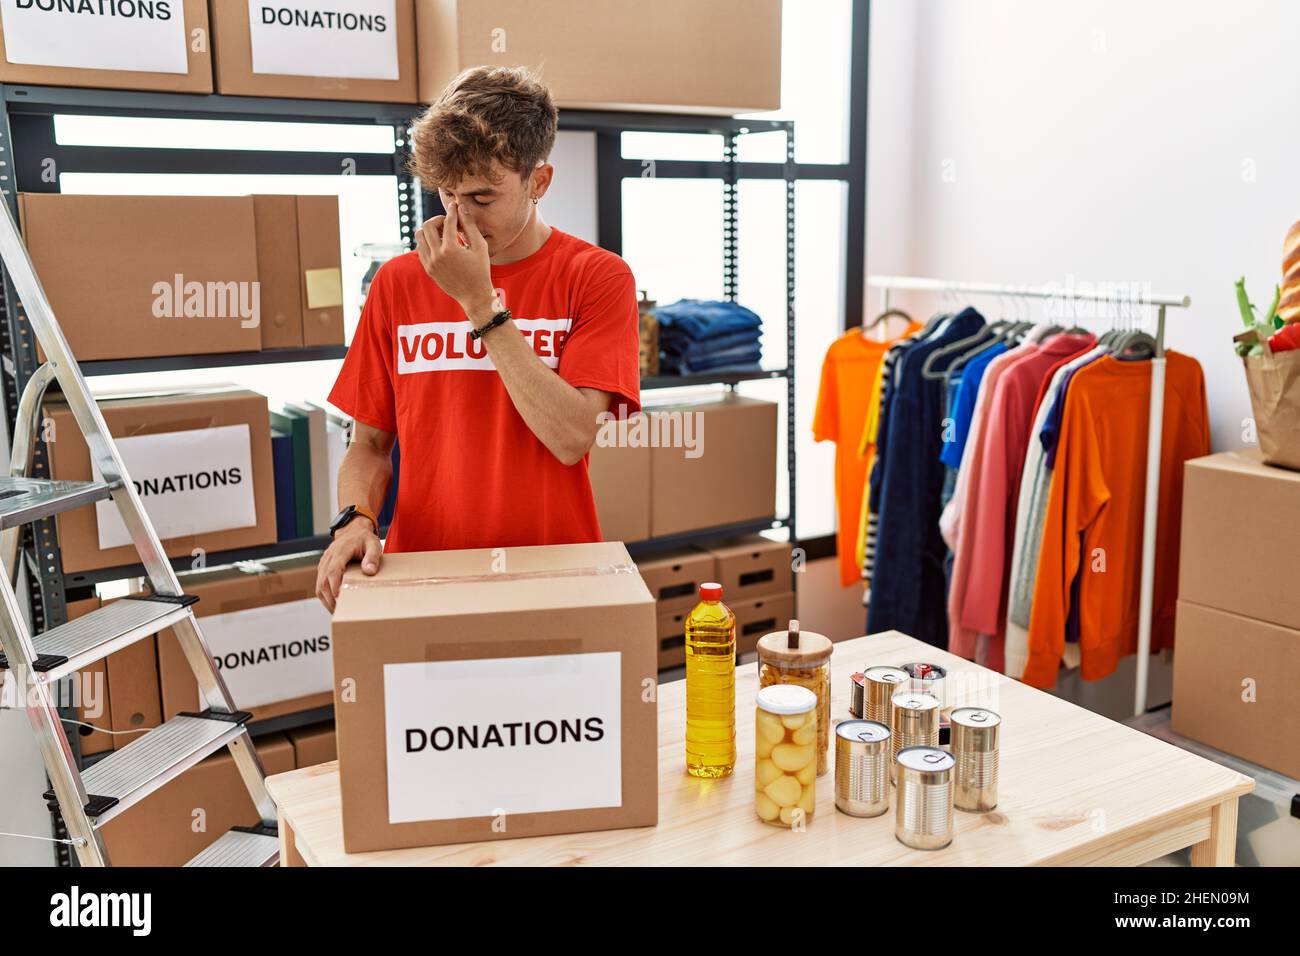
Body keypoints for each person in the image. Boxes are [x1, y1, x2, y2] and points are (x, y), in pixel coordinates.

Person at [315, 66, 640, 612]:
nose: (460, 218)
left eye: (483, 198)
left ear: (539, 182)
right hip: (425, 575)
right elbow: (368, 445)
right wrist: (356, 518)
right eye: (448, 194)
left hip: (553, 575)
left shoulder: (598, 277)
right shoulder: (398, 282)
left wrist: (478, 303)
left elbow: (572, 436)